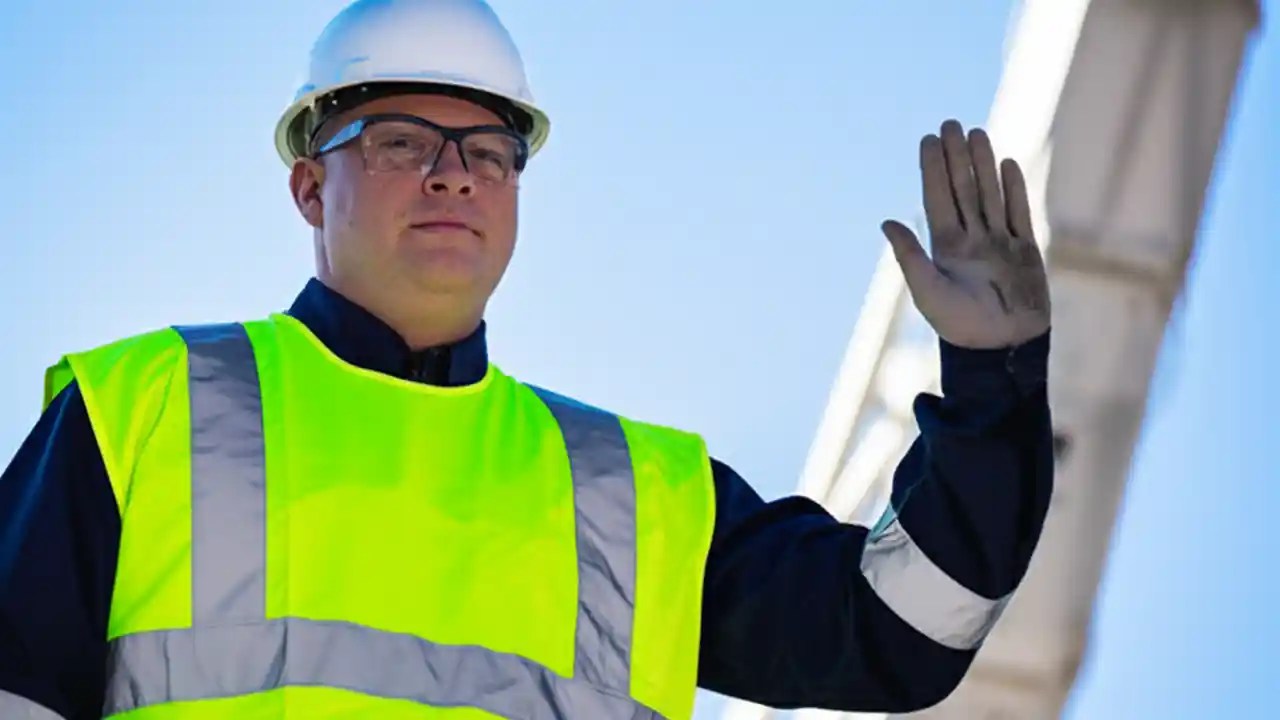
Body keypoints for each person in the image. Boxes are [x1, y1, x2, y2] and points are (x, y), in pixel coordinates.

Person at [0, 1, 1054, 719]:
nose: (454, 176)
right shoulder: (143, 411)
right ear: (310, 189)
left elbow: (903, 633)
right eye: (402, 141)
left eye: (490, 152)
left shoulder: (633, 495)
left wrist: (991, 380)